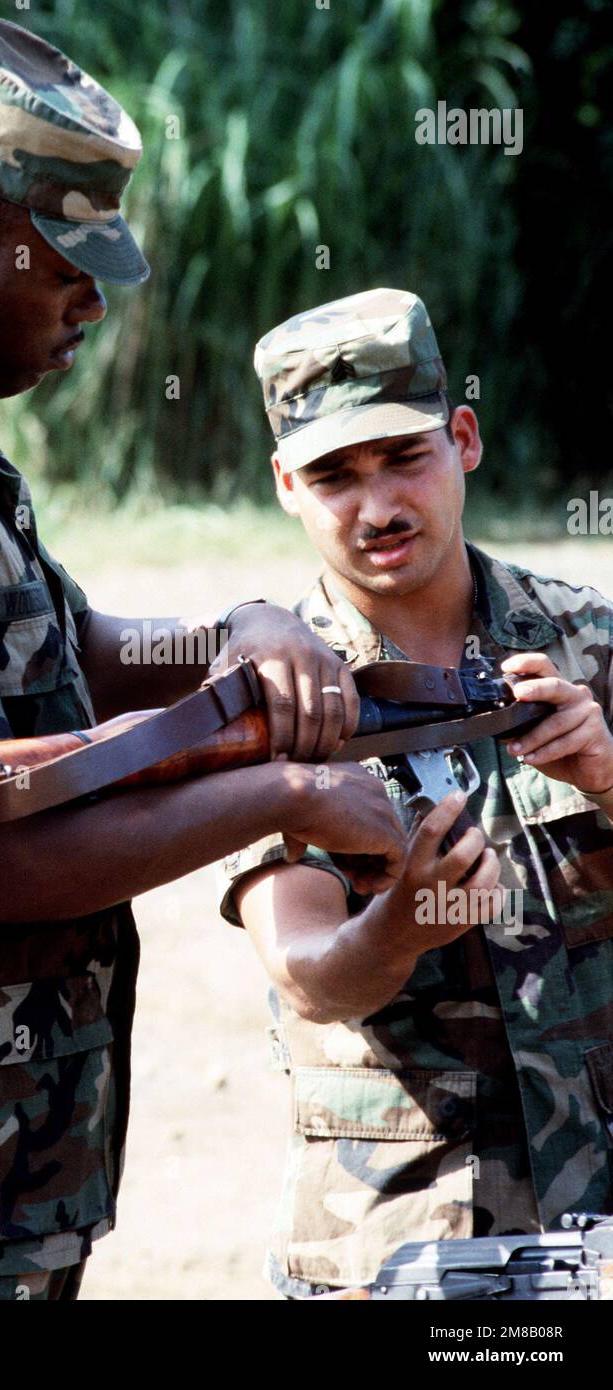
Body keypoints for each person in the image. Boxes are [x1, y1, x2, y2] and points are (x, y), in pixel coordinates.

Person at [0, 11, 404, 1302]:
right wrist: (282, 794)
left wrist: (231, 634)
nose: (94, 298)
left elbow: (70, 652)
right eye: (65, 266)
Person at [221, 286, 613, 1298]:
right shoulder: (266, 708)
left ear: (465, 439)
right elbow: (307, 969)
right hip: (403, 1243)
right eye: (335, 475)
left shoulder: (589, 641)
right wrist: (400, 925)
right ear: (285, 484)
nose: (380, 505)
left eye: (406, 456)